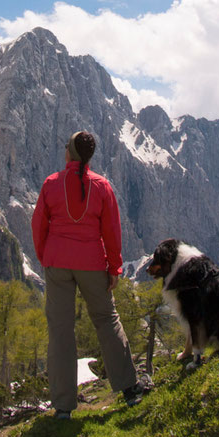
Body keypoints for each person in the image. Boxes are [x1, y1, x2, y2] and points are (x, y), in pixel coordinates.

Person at [31, 130, 148, 419]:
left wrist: (45, 256)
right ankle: (129, 389)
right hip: (93, 263)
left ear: (69, 151)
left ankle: (62, 407)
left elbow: (38, 226)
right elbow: (111, 232)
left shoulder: (51, 184)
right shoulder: (102, 186)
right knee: (107, 320)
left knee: (60, 330)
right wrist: (114, 268)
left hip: (58, 262)